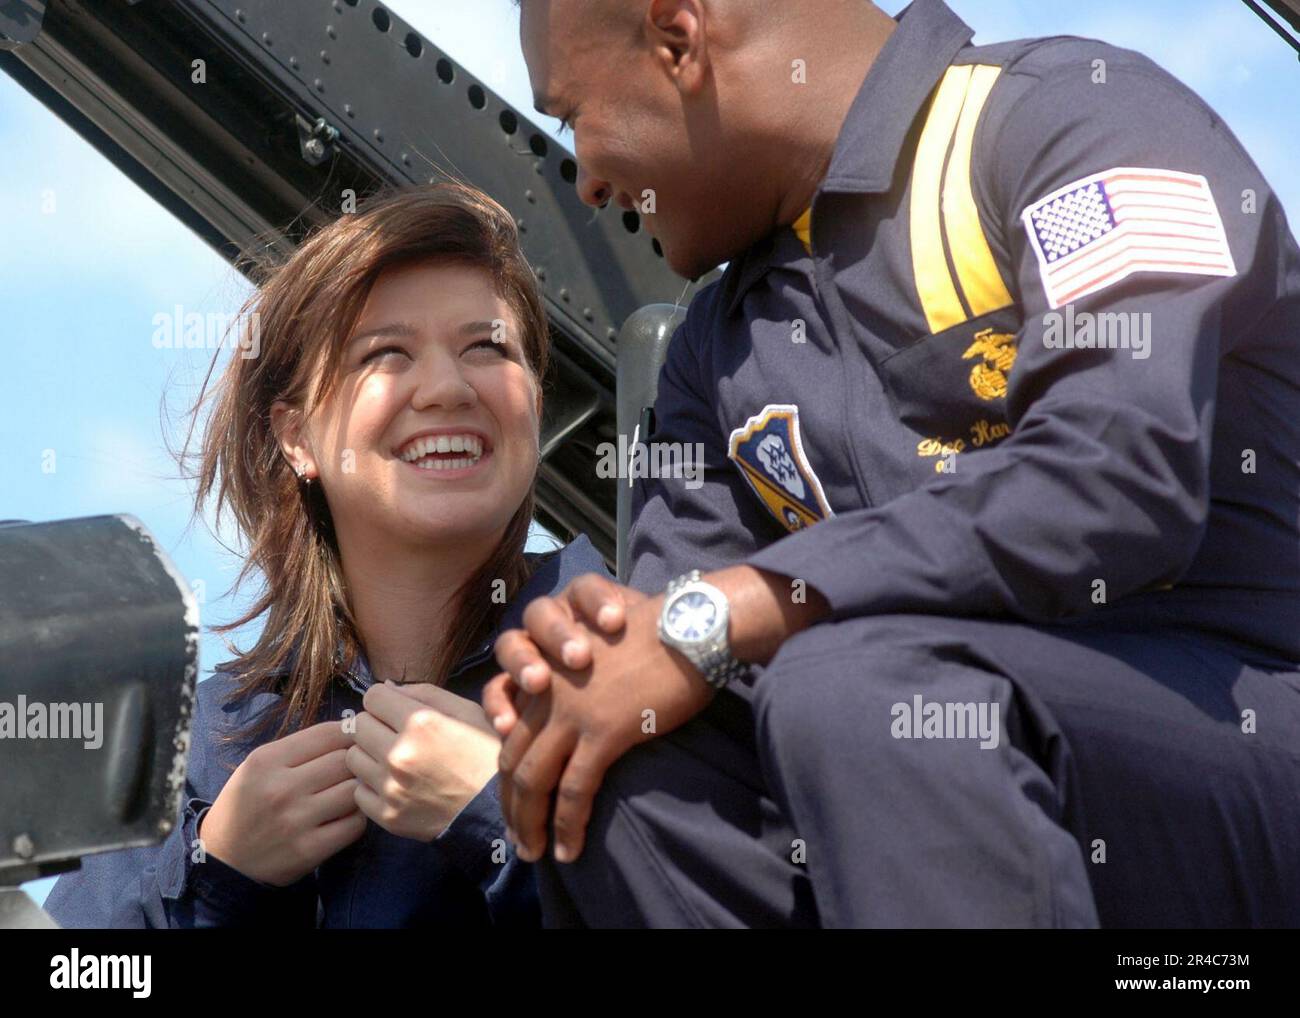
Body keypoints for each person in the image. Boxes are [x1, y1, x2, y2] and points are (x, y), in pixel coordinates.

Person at [486, 0, 1300, 927]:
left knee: (859, 686)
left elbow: (1119, 473)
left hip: (1242, 743)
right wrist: (587, 676)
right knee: (609, 768)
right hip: (932, 803)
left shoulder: (1068, 119)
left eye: (570, 115)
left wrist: (749, 603)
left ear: (679, 40)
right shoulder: (713, 355)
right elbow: (677, 645)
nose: (585, 183)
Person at [44, 182, 608, 928]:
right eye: (386, 353)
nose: (446, 387)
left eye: (487, 346)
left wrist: (496, 818)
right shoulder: (196, 750)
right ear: (296, 438)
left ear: (533, 402)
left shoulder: (639, 674)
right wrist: (212, 875)